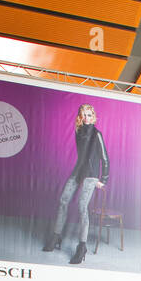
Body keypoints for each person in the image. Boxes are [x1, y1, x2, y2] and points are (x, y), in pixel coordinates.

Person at [41, 103, 109, 265]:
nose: (86, 118)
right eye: (83, 115)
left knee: (81, 207)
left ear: (94, 116)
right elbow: (82, 156)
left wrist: (103, 179)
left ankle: (82, 246)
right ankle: (56, 236)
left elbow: (104, 158)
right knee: (63, 200)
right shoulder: (78, 132)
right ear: (80, 116)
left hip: (91, 176)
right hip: (78, 171)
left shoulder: (97, 134)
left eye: (89, 115)